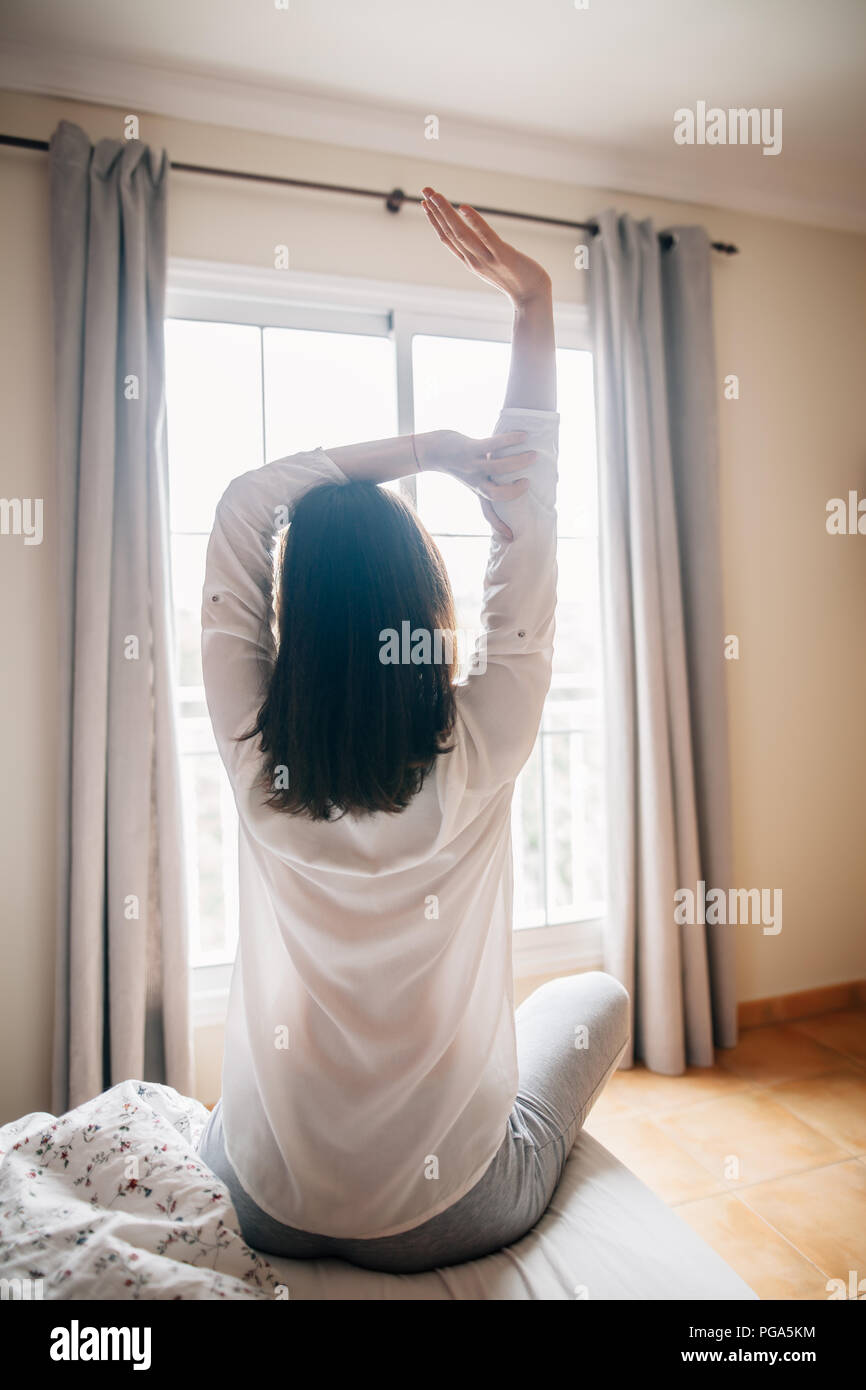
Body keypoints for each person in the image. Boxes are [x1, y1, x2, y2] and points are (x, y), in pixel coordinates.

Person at [197, 187, 628, 1273]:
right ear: (421, 606)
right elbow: (525, 534)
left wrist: (420, 447)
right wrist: (531, 306)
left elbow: (248, 501)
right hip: (454, 1210)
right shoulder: (480, 743)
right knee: (596, 997)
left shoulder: (257, 756)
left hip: (263, 1199)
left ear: (293, 627)